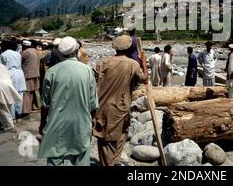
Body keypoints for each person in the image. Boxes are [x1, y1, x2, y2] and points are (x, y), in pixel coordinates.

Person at [38, 36, 98, 166]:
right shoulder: (87, 70)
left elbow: (45, 104)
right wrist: (93, 118)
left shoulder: (52, 72)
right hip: (81, 120)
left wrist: (43, 124)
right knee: (82, 154)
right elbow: (92, 101)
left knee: (55, 155)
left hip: (57, 121)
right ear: (77, 51)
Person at [93, 35, 143, 166]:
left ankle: (111, 161)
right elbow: (144, 80)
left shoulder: (102, 63)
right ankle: (111, 161)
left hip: (103, 105)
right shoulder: (133, 64)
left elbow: (93, 84)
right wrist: (142, 61)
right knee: (119, 134)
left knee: (107, 137)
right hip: (122, 106)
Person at [0, 56, 21, 132]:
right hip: (9, 84)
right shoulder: (2, 66)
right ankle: (9, 123)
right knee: (8, 104)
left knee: (1, 107)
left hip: (0, 85)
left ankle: (9, 126)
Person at [0, 40, 26, 120]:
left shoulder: (3, 54)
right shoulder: (18, 54)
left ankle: (12, 116)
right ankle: (19, 115)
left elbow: (2, 67)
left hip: (9, 73)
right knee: (19, 94)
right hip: (19, 73)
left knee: (10, 95)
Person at [21, 40, 40, 114]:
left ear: (24, 46)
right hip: (35, 74)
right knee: (31, 92)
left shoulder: (25, 52)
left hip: (28, 75)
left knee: (26, 93)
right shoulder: (35, 51)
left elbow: (19, 61)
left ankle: (26, 110)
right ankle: (30, 108)